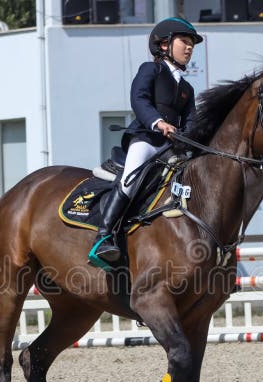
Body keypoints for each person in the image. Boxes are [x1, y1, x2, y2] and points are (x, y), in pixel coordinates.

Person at [88, 17, 203, 268]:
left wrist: (191, 139)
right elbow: (139, 99)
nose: (189, 47)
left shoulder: (187, 88)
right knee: (130, 179)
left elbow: (192, 120)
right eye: (184, 41)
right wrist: (159, 123)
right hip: (147, 139)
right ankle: (103, 237)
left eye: (192, 43)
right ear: (164, 45)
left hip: (172, 147)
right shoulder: (150, 70)